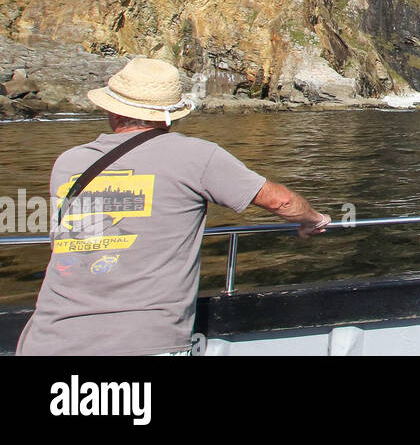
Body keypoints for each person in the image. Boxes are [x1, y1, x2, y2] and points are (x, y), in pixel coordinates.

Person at [16, 57, 330, 355]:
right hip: (143, 340)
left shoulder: (69, 162)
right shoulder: (196, 156)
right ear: (171, 114)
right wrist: (313, 218)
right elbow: (281, 201)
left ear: (112, 110)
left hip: (47, 339)